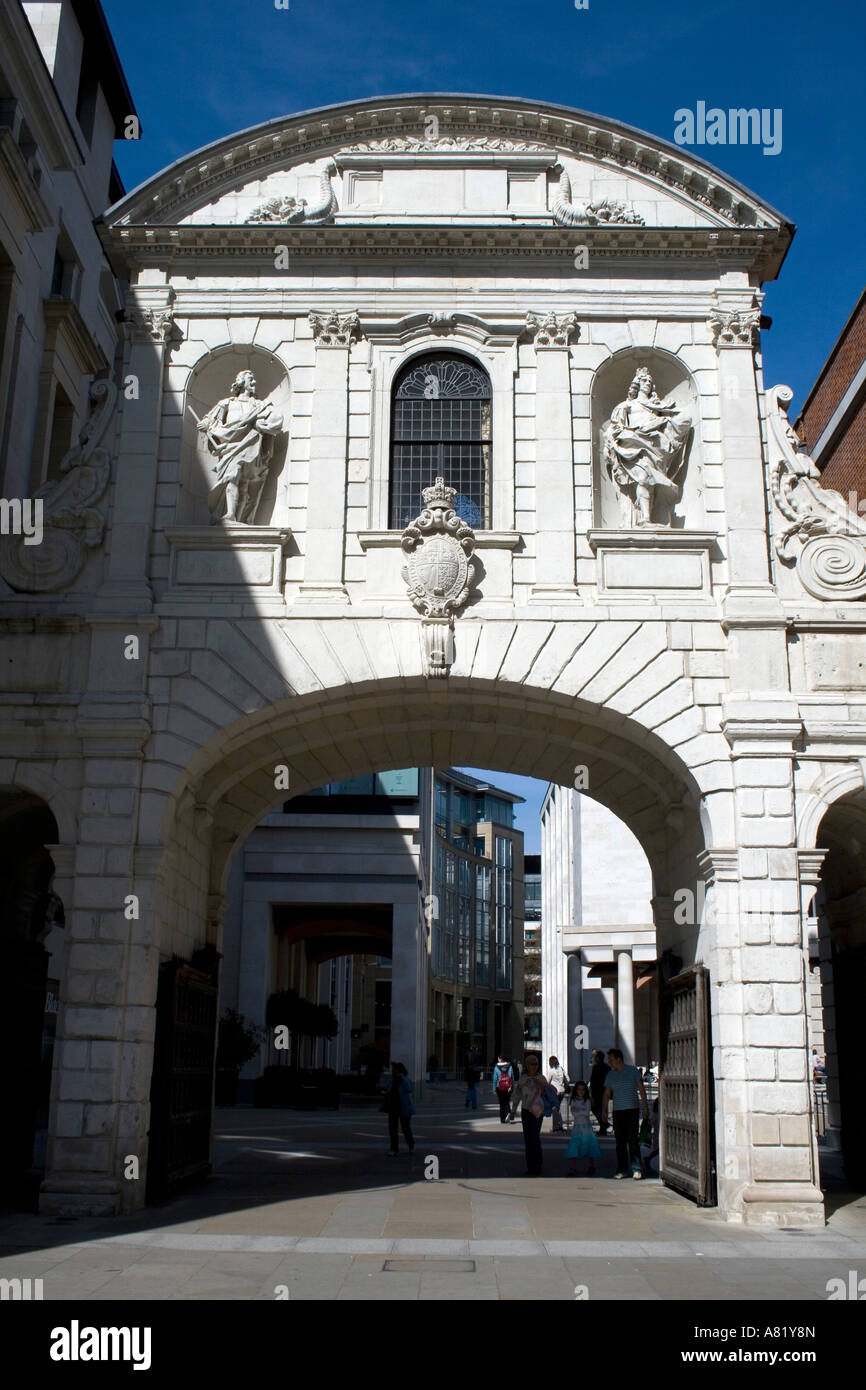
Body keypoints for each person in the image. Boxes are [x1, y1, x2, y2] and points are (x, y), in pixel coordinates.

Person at [601, 1048, 649, 1179]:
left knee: (633, 1140)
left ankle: (637, 1168)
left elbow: (641, 1088)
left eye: (611, 1060)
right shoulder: (610, 1075)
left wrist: (645, 1106)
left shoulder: (633, 1071)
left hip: (632, 1110)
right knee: (620, 1142)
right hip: (618, 1112)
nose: (609, 1062)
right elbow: (607, 1093)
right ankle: (622, 1169)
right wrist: (604, 1110)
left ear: (618, 1059)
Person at [507, 1053, 548, 1176]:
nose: (534, 1066)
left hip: (537, 1112)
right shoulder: (523, 1079)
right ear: (526, 1065)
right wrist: (513, 1111)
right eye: (531, 1063)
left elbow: (547, 1095)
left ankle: (538, 1165)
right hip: (526, 1111)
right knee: (528, 1139)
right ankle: (530, 1166)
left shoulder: (542, 1078)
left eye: (536, 1063)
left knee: (535, 1137)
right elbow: (517, 1095)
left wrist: (541, 1085)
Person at [566, 1081, 601, 1176]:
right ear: (575, 1090)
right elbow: (574, 1113)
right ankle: (573, 1167)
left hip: (586, 1127)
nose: (581, 1091)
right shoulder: (573, 1100)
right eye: (579, 1089)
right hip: (577, 1127)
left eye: (583, 1089)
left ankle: (591, 1166)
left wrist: (578, 1110)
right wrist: (581, 1110)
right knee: (574, 1146)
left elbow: (586, 1113)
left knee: (589, 1145)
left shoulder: (587, 1101)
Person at [382, 1061, 415, 1155]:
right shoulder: (391, 1079)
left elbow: (409, 1089)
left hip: (404, 1107)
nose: (393, 1072)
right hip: (393, 1107)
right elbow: (388, 1088)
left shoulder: (406, 1079)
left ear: (400, 1071)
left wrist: (402, 1079)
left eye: (395, 1070)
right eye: (393, 1070)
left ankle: (411, 1145)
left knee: (405, 1128)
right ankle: (394, 1149)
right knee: (392, 1129)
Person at [589, 1049, 610, 1135]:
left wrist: (591, 1091)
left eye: (595, 1057)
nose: (594, 1058)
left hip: (597, 1091)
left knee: (595, 1108)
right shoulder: (607, 1067)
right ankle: (603, 1126)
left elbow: (593, 1080)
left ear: (598, 1058)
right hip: (604, 1091)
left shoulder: (596, 1067)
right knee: (603, 1109)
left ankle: (604, 1124)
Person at [547, 1055, 567, 1134]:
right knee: (557, 1109)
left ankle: (556, 1127)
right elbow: (567, 1078)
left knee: (554, 1109)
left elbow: (547, 1081)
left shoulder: (551, 1071)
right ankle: (560, 1126)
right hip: (562, 1091)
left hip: (555, 1092)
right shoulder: (561, 1069)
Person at [492, 1054, 515, 1123]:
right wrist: (512, 1086)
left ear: (500, 1059)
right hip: (508, 1087)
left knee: (501, 1104)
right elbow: (512, 1077)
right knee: (507, 1102)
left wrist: (494, 1089)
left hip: (499, 1087)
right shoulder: (510, 1066)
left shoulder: (496, 1067)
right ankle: (508, 1115)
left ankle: (502, 1119)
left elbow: (495, 1079)